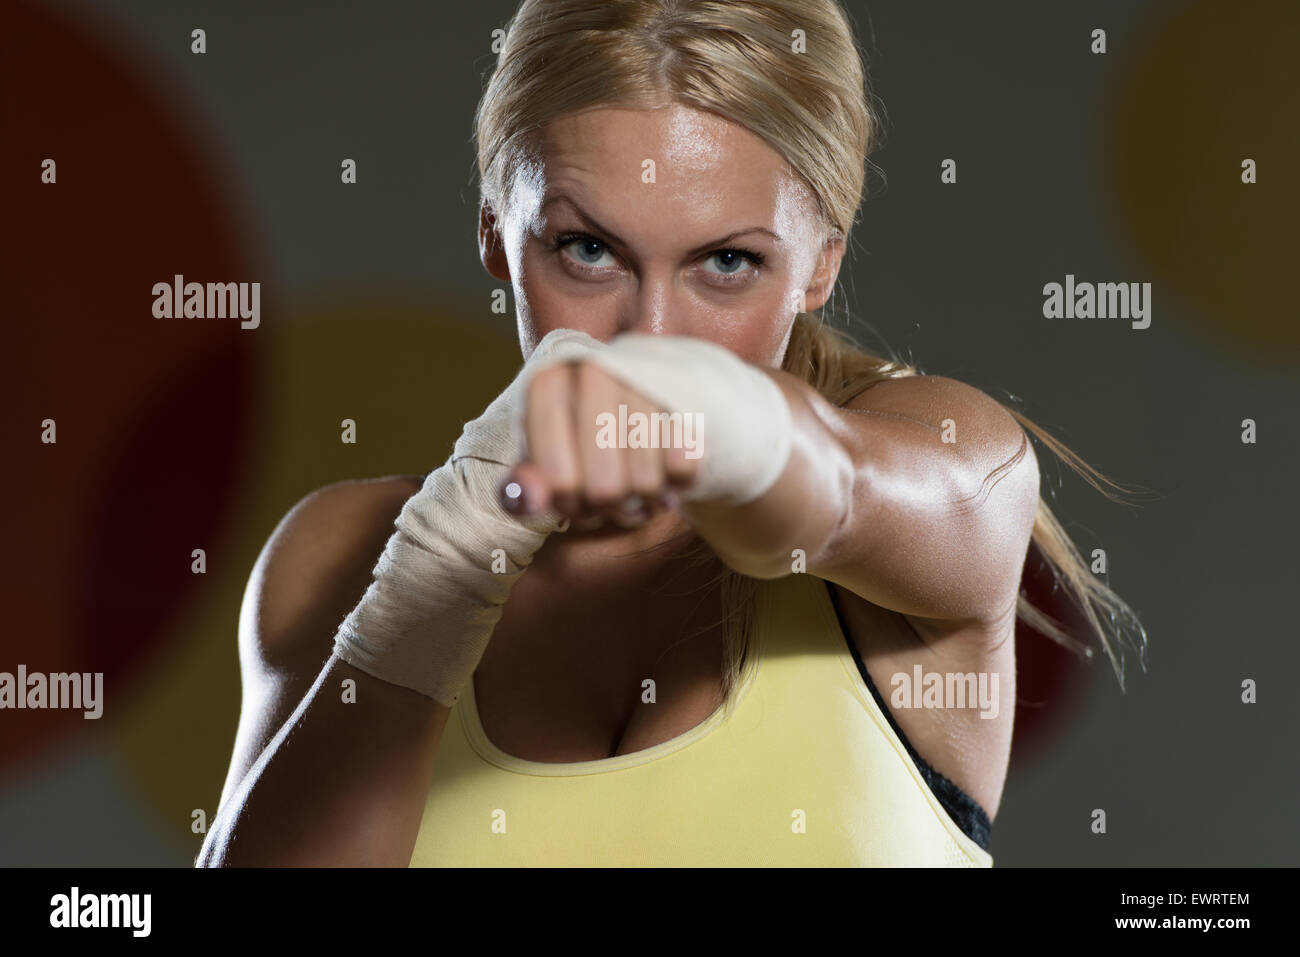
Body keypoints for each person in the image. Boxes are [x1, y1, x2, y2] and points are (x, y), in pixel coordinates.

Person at [196, 0, 1147, 867]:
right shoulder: (338, 558)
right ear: (494, 230)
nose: (648, 339)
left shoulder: (947, 457)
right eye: (587, 249)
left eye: (727, 261)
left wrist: (712, 428)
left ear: (822, 262)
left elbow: (840, 486)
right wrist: (436, 572)